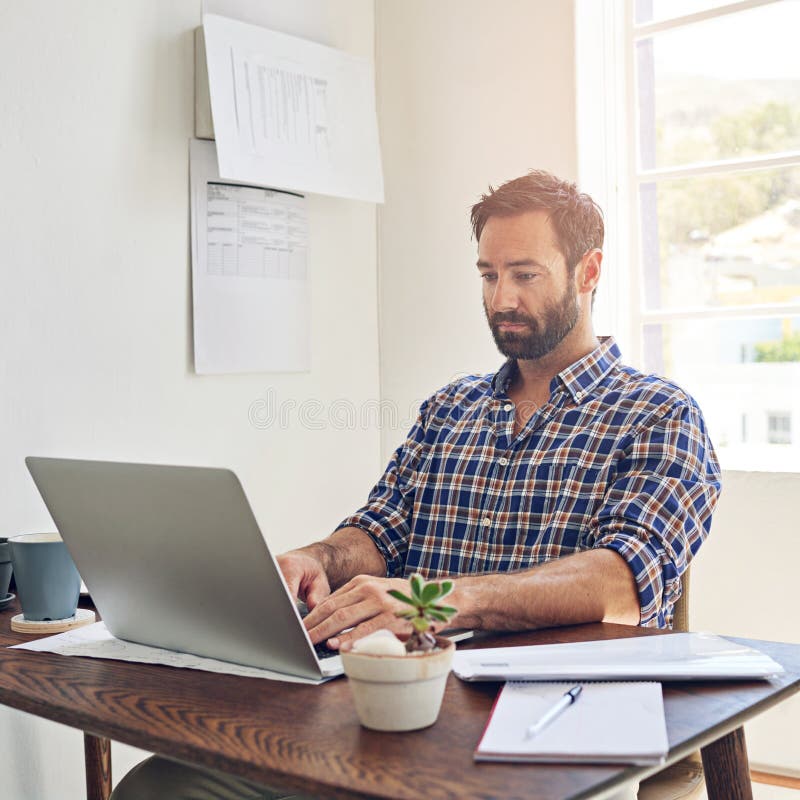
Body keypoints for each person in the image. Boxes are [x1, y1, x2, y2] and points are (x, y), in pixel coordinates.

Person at [111, 170, 720, 799]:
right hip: (392, 708)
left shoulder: (659, 414)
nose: (502, 298)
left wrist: (432, 602)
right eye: (488, 275)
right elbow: (380, 530)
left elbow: (621, 583)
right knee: (160, 787)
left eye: (525, 274)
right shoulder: (450, 407)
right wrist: (315, 559)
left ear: (588, 271)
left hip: (547, 728)